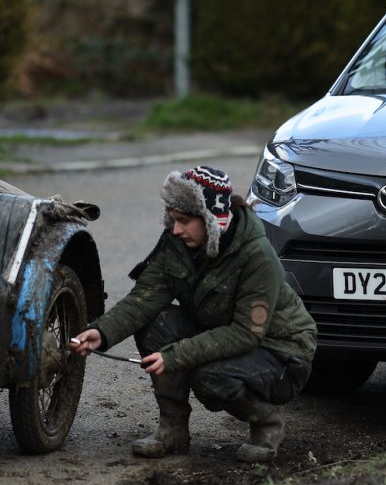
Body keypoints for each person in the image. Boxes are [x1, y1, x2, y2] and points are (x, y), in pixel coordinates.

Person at [68, 165, 317, 462]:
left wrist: (175, 355)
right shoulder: (177, 242)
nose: (175, 230)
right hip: (222, 332)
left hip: (280, 352)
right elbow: (144, 299)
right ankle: (173, 431)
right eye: (173, 220)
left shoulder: (256, 255)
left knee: (210, 378)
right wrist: (101, 331)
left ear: (211, 218)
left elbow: (245, 333)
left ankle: (266, 422)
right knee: (154, 324)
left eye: (184, 221)